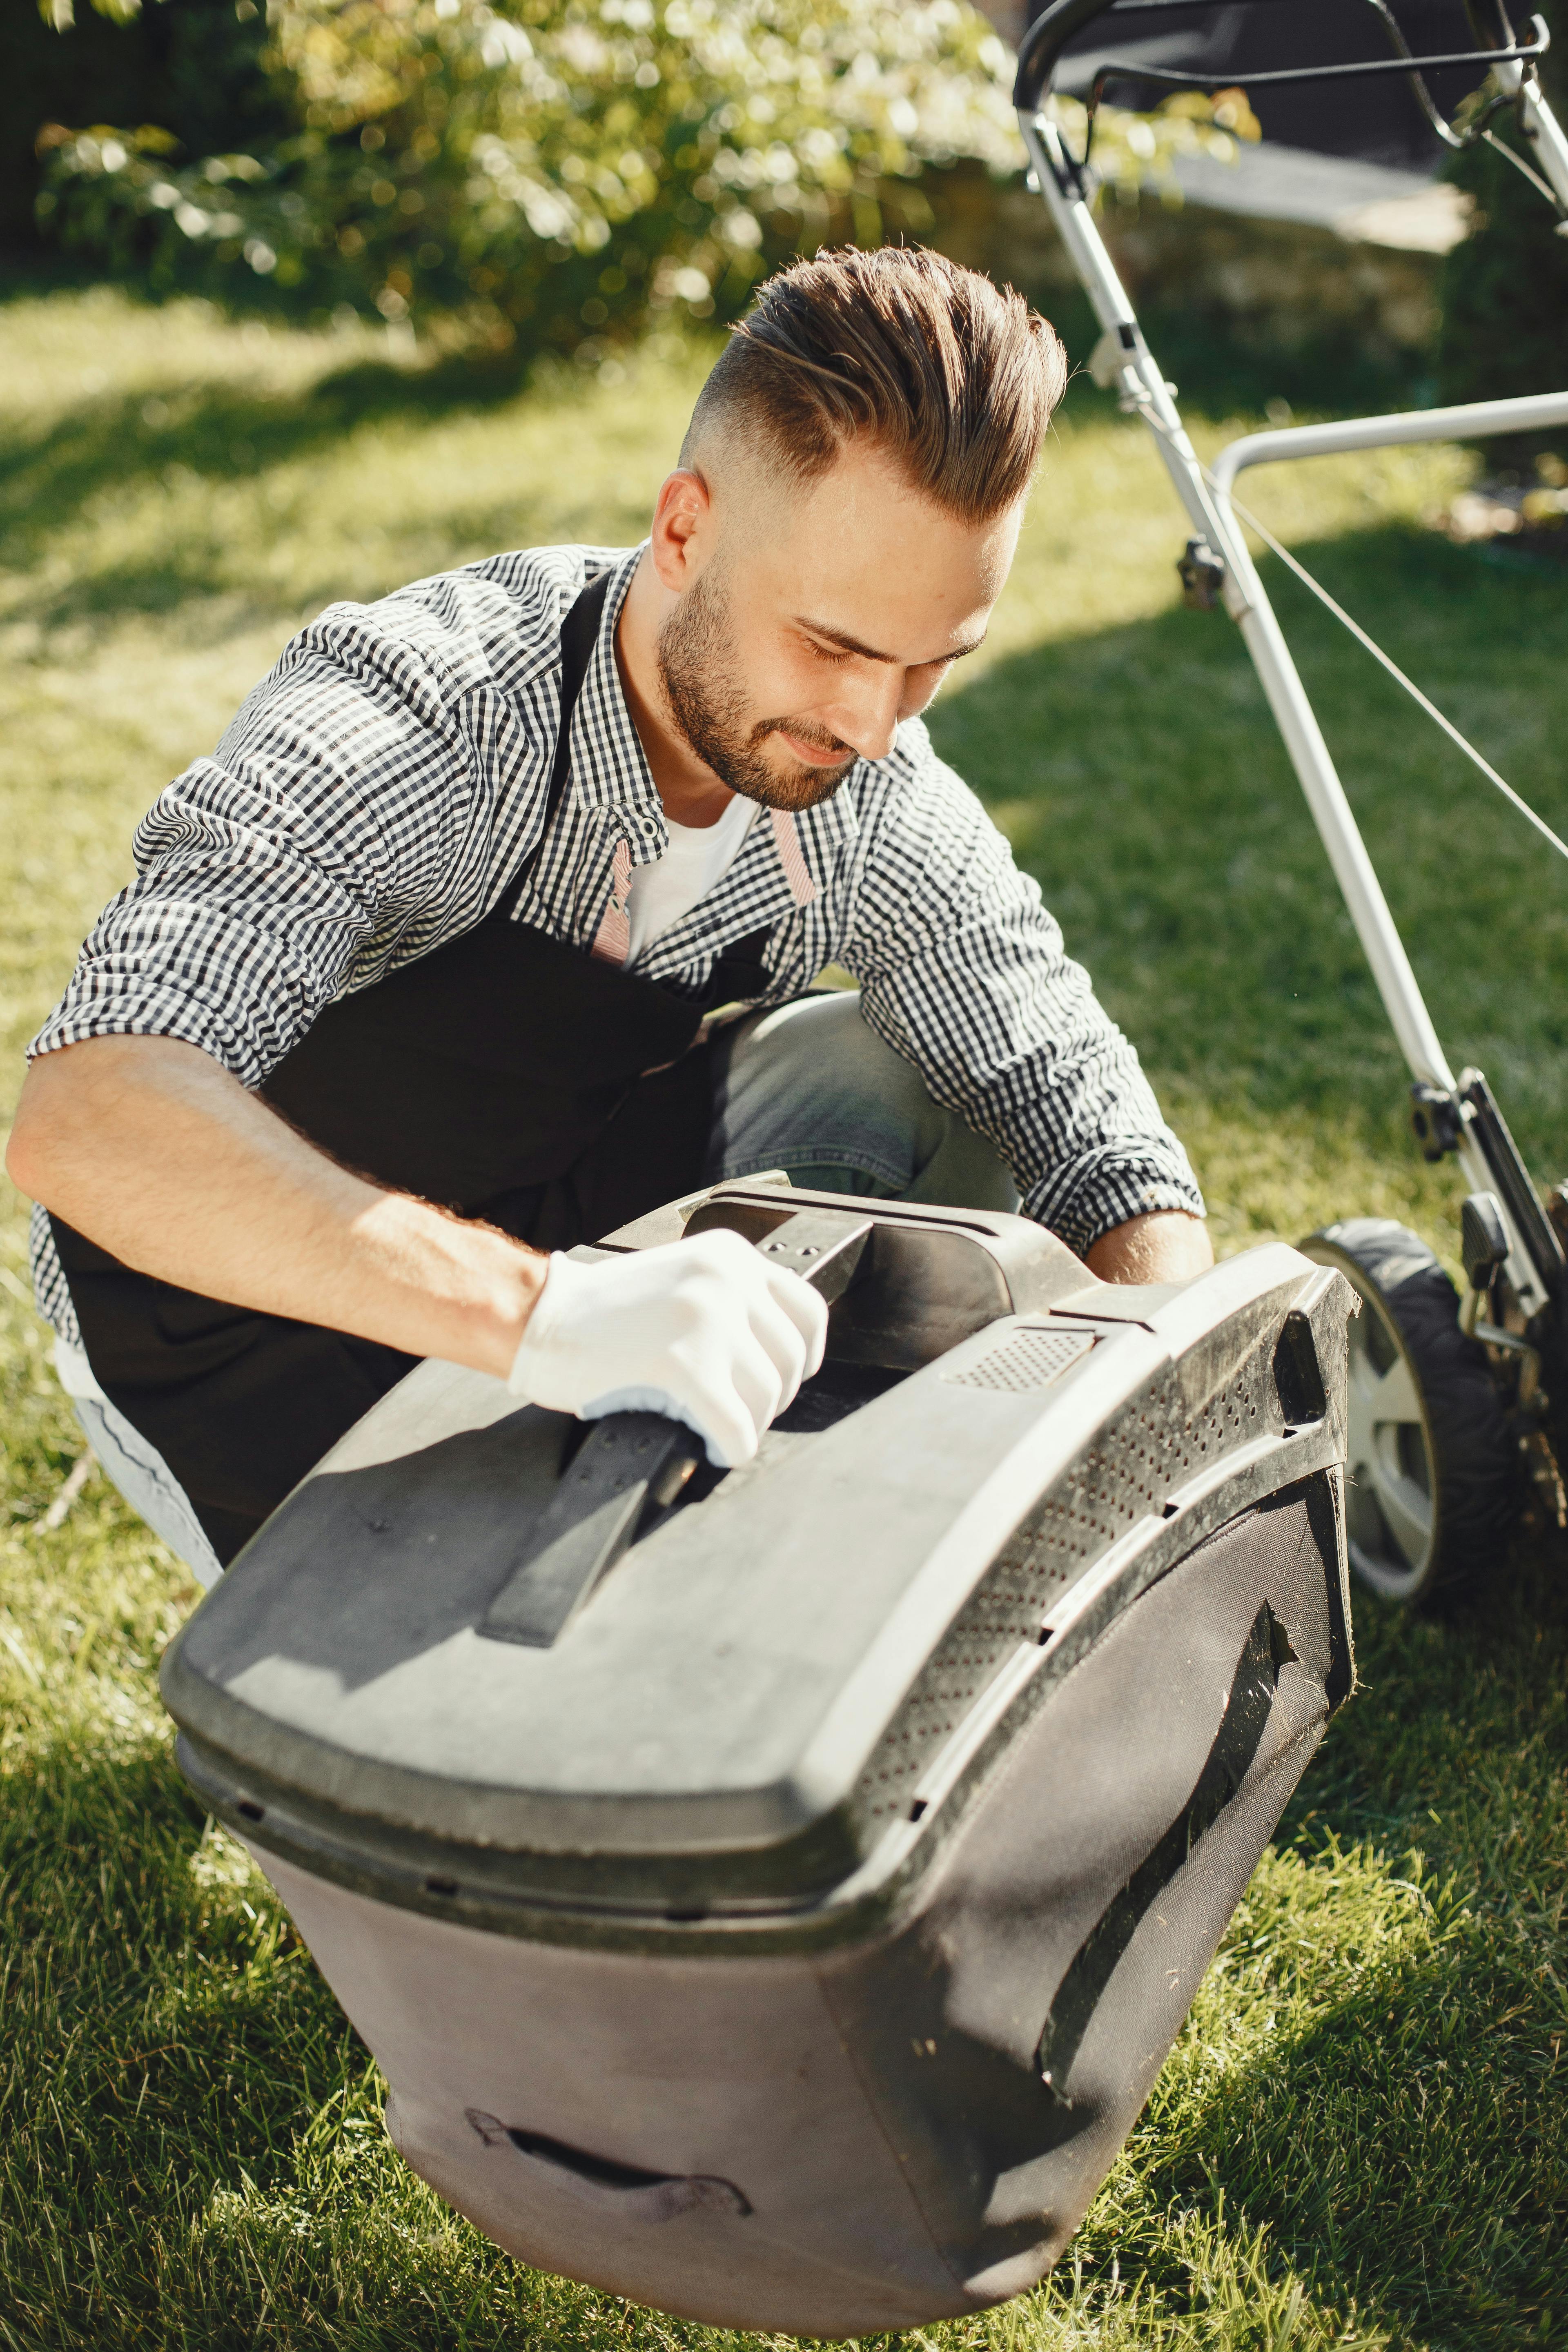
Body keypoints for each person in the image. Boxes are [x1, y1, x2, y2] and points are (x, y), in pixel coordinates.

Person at [7, 244, 1210, 1589]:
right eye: (834, 646)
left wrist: (1170, 1415)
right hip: (222, 1318)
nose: (875, 725)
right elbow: (92, 1113)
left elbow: (1080, 1113)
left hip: (557, 1220)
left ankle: (841, 1533)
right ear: (685, 530)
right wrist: (549, 1314)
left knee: (927, 1080)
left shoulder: (868, 790)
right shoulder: (432, 718)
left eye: (933, 660)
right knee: (484, 1742)